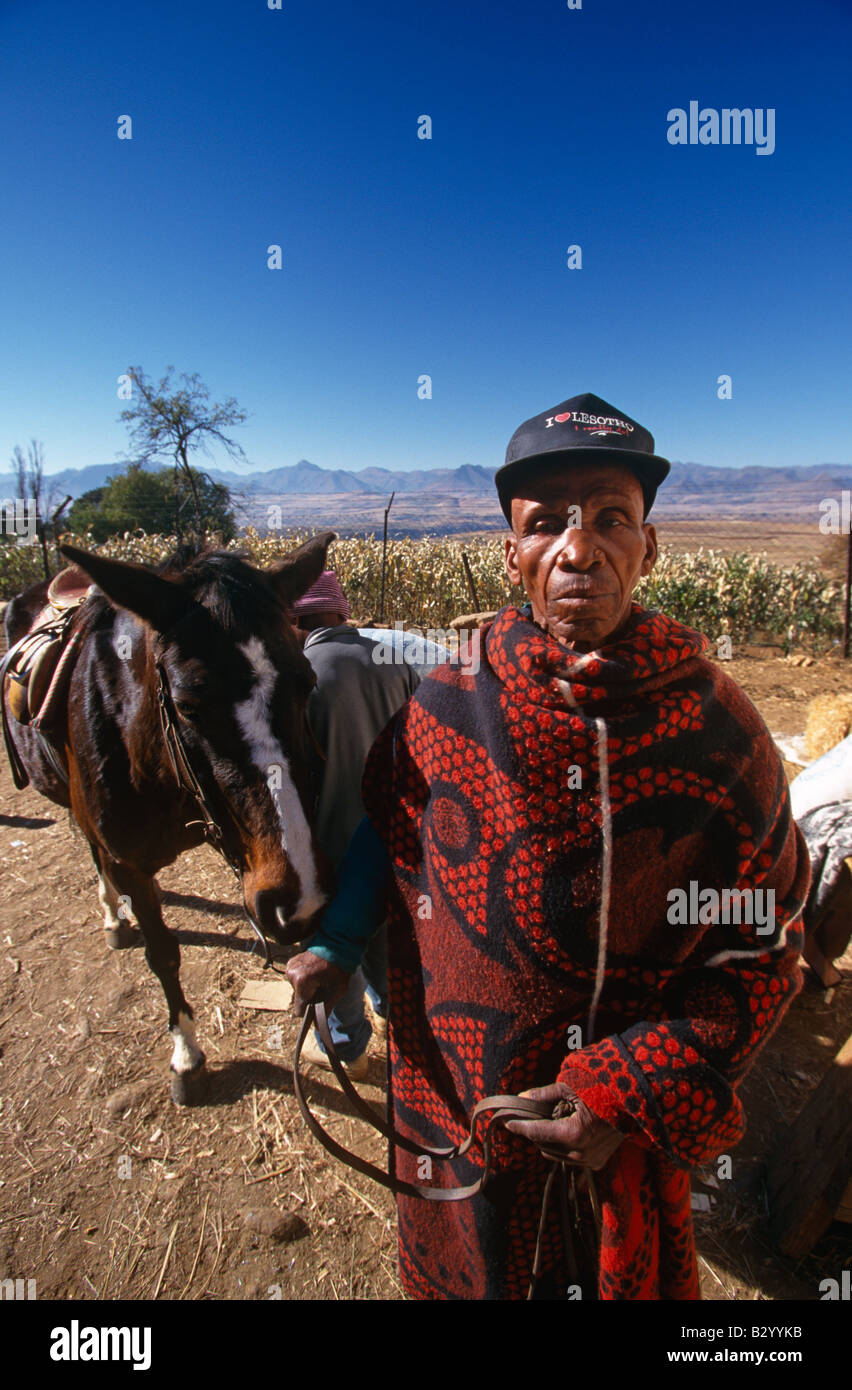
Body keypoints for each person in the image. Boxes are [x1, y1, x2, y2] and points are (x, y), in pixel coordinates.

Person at [287, 392, 810, 1301]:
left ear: (649, 548)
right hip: (460, 1102)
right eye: (546, 526)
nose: (580, 551)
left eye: (612, 518)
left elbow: (762, 943)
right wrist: (336, 942)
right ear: (512, 553)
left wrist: (629, 1091)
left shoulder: (720, 733)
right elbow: (391, 822)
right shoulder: (448, 699)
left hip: (613, 1139)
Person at [291, 569, 421, 1079]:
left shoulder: (300, 674)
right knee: (390, 939)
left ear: (297, 620)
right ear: (342, 612)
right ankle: (397, 1017)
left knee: (333, 949)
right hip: (395, 839)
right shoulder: (394, 659)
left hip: (329, 847)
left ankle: (349, 1051)